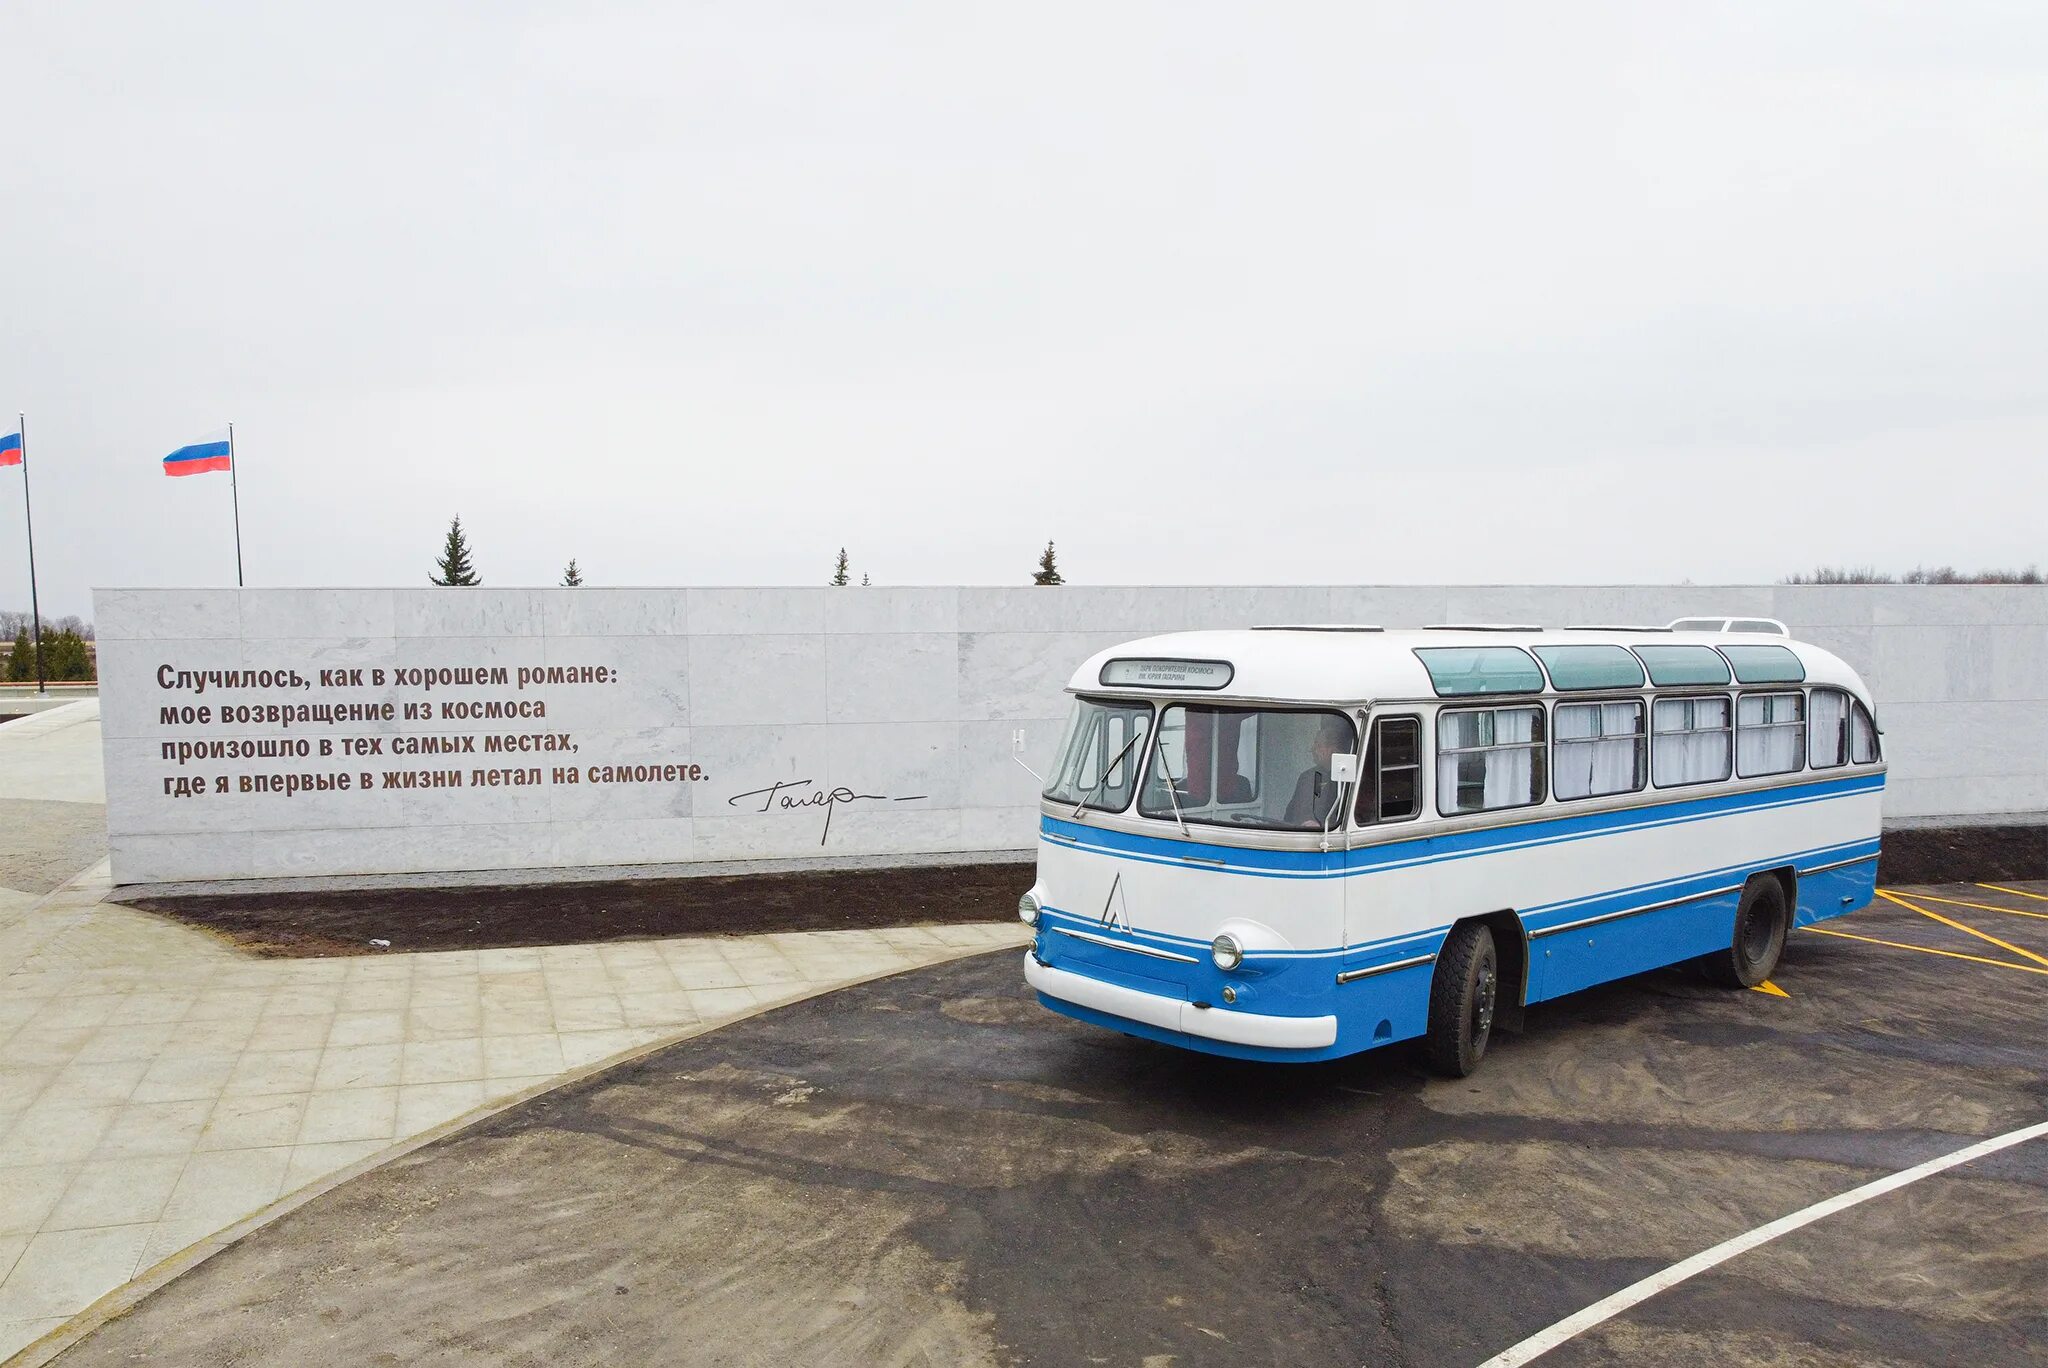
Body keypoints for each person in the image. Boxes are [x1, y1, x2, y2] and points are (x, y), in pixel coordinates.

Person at [1283, 717, 1352, 829]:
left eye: (1318, 746)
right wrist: (1306, 820)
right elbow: (1291, 813)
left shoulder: (1352, 778)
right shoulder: (1308, 777)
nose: (1312, 749)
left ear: (1333, 749)